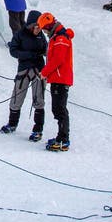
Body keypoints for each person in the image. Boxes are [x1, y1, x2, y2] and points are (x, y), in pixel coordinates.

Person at [0, 10, 47, 141]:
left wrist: (44, 53)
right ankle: (12, 124)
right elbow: (13, 50)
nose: (38, 29)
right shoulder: (20, 34)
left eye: (40, 27)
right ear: (30, 25)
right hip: (24, 68)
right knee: (17, 96)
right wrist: (28, 55)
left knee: (39, 99)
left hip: (39, 69)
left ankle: (38, 130)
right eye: (36, 27)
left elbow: (46, 48)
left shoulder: (41, 35)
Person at [37, 12, 74, 152]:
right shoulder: (57, 37)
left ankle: (63, 140)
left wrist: (44, 72)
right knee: (57, 109)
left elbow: (58, 60)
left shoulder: (60, 39)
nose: (45, 32)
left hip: (61, 78)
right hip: (58, 78)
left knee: (60, 109)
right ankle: (61, 137)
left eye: (45, 29)